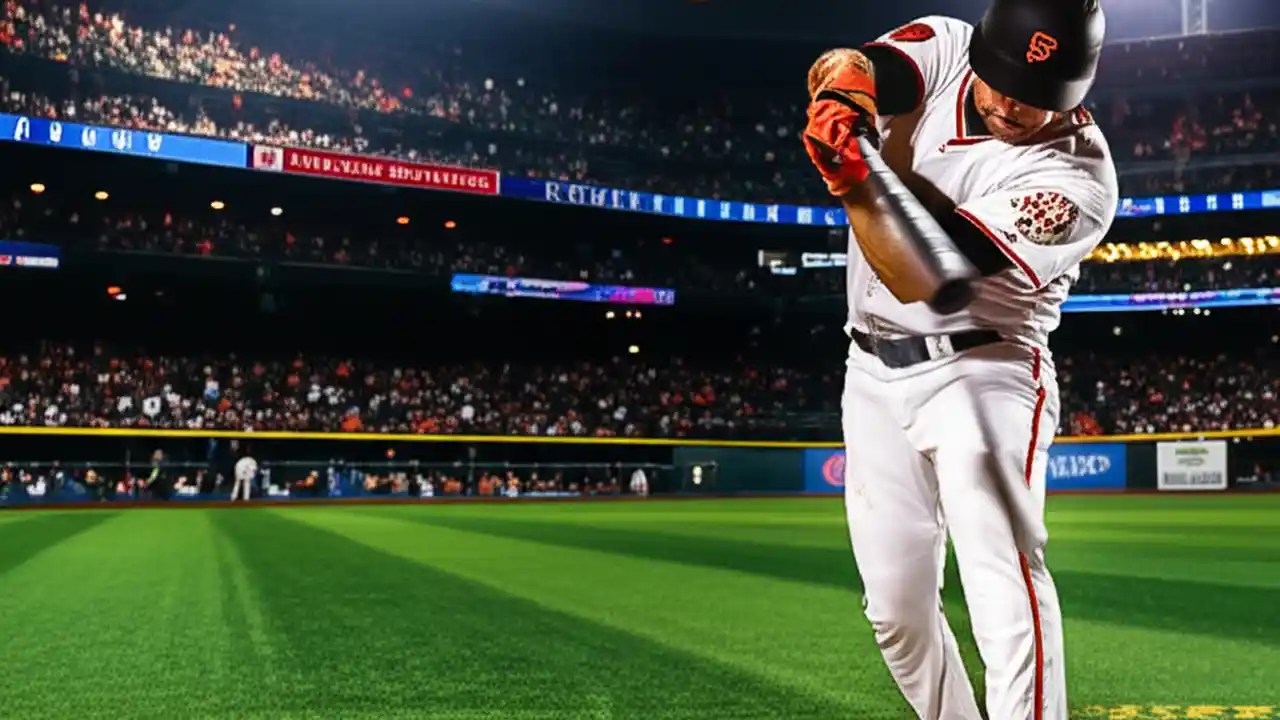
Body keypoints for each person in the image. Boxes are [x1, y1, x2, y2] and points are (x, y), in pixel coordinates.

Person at [803, 2, 1114, 719]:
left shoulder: (1080, 179)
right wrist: (840, 88)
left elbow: (926, 271)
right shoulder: (945, 45)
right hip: (871, 370)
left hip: (987, 372)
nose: (1014, 103)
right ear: (981, 50)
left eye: (1041, 95)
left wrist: (852, 175)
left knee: (1003, 588)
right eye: (1005, 79)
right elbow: (868, 70)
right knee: (895, 612)